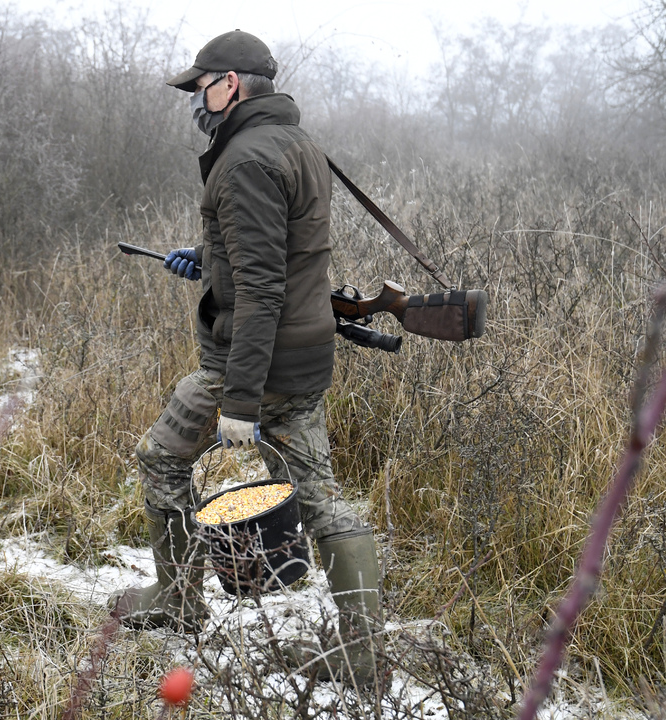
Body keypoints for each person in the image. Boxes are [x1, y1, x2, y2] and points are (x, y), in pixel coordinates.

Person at [109, 30, 385, 686]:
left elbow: (261, 290)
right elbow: (277, 253)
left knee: (160, 457)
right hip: (304, 357)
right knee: (321, 496)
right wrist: (206, 259)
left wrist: (237, 402)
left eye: (200, 86)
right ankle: (364, 654)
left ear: (229, 82)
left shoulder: (246, 161)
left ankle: (177, 603)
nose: (196, 101)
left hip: (252, 364)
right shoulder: (295, 143)